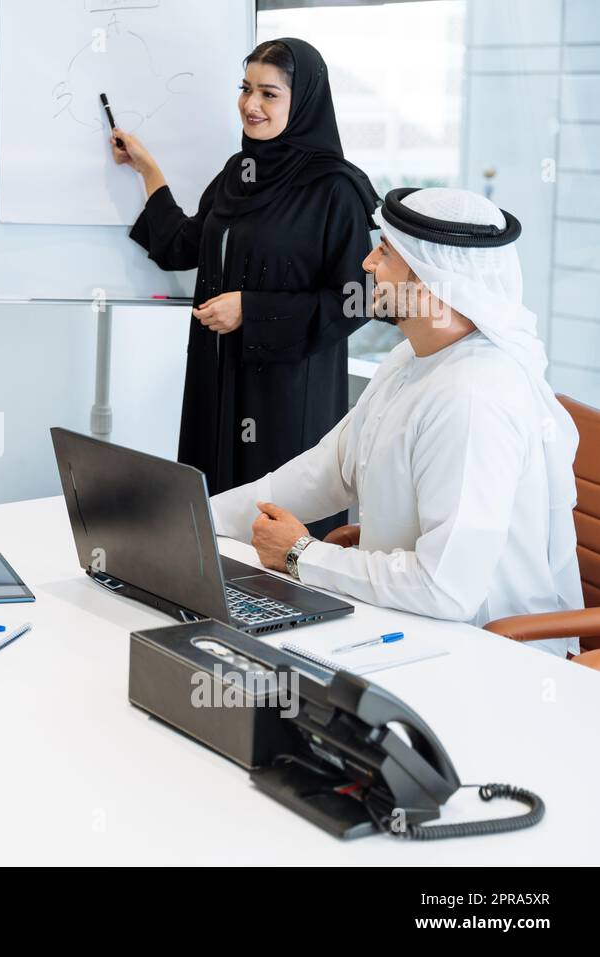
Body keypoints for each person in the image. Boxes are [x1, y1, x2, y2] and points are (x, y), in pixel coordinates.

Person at [209, 188, 582, 656]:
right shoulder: (411, 358)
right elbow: (327, 470)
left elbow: (445, 588)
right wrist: (200, 519)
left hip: (480, 651)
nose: (366, 264)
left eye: (384, 252)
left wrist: (303, 555)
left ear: (431, 281)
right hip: (399, 619)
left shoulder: (473, 398)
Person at [112, 38, 378, 538]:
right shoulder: (240, 173)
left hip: (286, 396)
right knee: (213, 529)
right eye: (245, 89)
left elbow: (356, 298)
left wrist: (252, 311)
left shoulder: (334, 189)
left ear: (303, 103)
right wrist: (148, 169)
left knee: (273, 537)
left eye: (270, 94)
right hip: (217, 381)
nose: (251, 105)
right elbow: (182, 245)